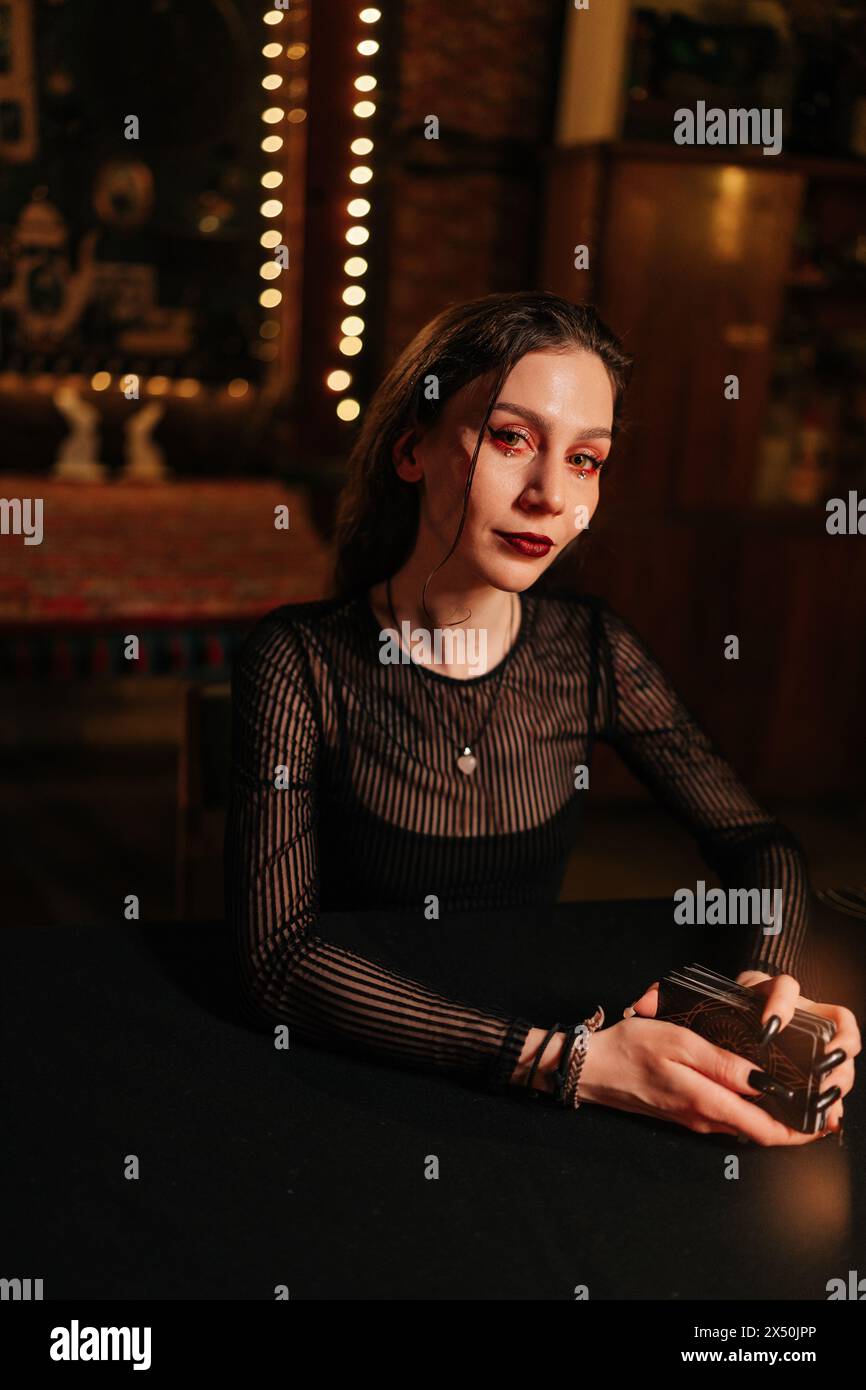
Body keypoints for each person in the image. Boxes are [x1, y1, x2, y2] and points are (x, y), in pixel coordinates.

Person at [224, 290, 859, 1146]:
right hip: (352, 1083)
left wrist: (764, 985)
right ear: (412, 448)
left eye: (587, 459)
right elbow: (279, 961)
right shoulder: (298, 659)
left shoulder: (592, 648)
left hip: (526, 1092)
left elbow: (763, 847)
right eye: (510, 437)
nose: (550, 495)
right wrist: (566, 1064)